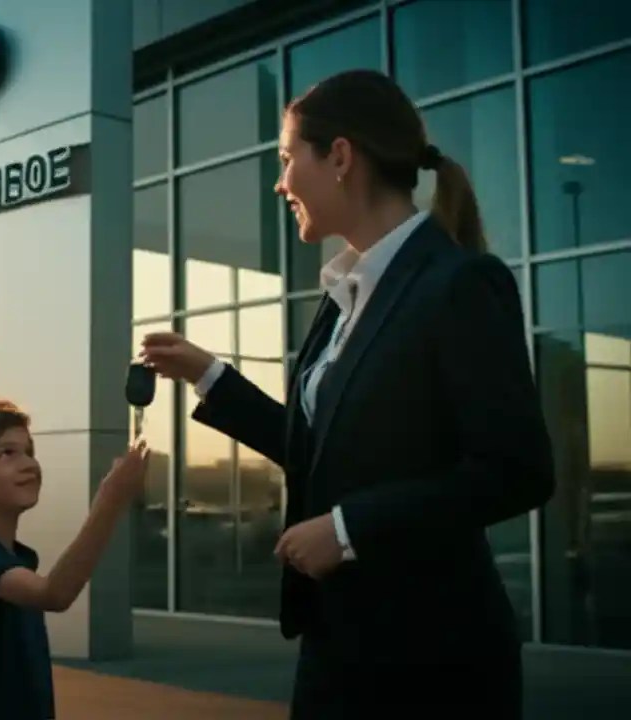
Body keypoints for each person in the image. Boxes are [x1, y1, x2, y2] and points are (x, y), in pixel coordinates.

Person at [142, 69, 554, 718]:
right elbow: (322, 453)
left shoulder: (459, 284)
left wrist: (348, 527)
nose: (280, 184)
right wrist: (209, 375)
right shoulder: (346, 298)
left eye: (286, 160)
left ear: (339, 157)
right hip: (340, 645)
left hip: (431, 660)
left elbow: (517, 470)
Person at [0, 401, 150, 719]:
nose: (29, 464)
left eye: (29, 451)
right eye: (7, 453)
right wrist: (112, 498)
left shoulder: (8, 556)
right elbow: (54, 594)